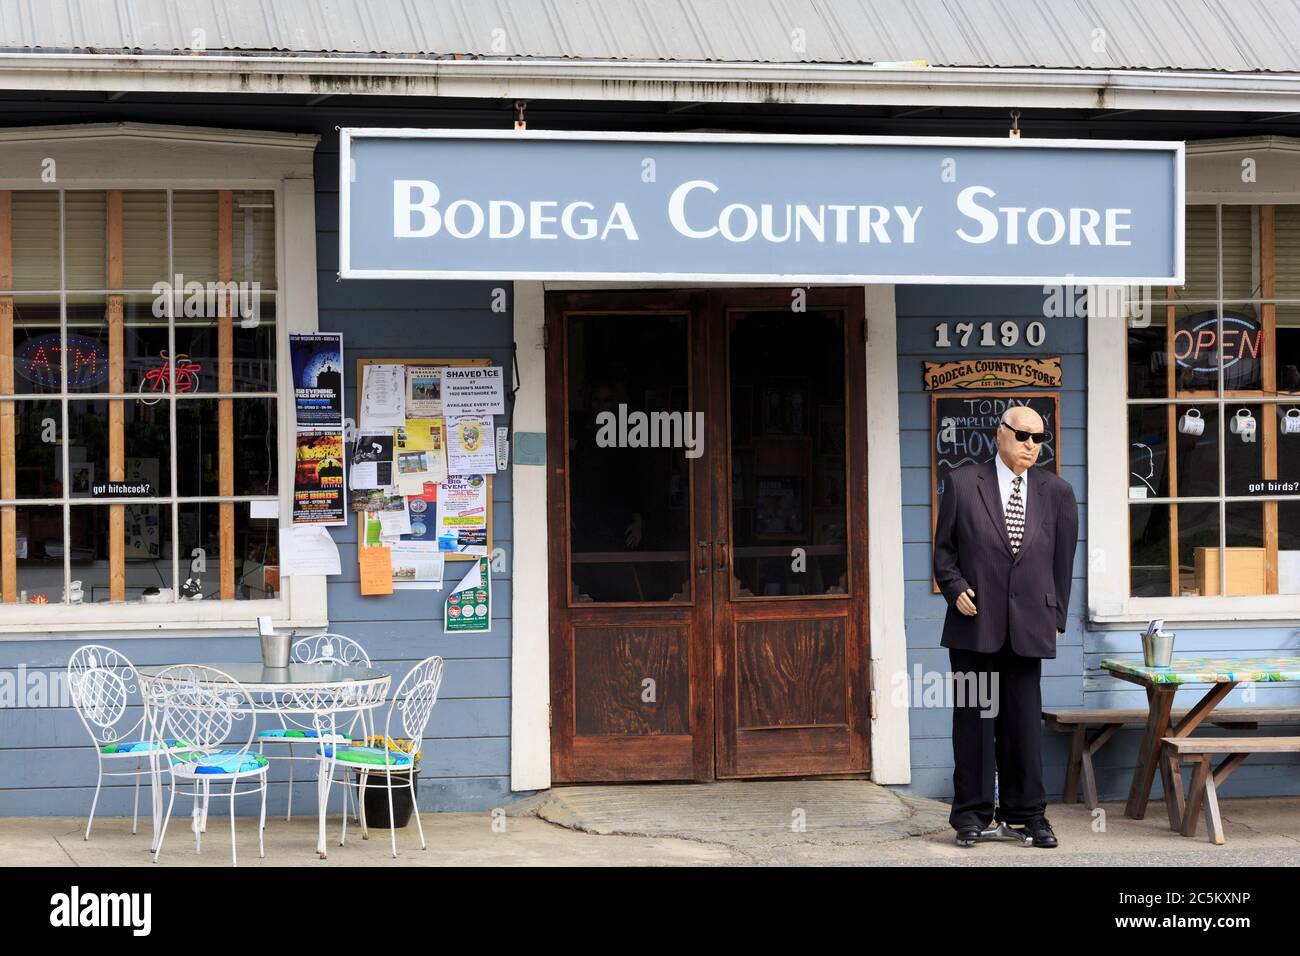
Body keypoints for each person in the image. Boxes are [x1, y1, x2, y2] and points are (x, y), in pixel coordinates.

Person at [932, 405, 1079, 848]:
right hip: (974, 623)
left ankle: (1027, 815)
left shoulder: (1057, 492)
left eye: (1039, 438)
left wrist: (1055, 617)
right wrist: (954, 586)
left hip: (1029, 624)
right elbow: (943, 553)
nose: (1032, 446)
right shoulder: (961, 483)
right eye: (1023, 437)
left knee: (1021, 724)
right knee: (974, 721)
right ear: (1000, 434)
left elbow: (1063, 562)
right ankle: (971, 817)